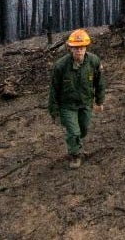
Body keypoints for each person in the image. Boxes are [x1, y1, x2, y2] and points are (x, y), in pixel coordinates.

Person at [48, 28, 107, 168]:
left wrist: (99, 101)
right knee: (73, 132)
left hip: (85, 103)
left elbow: (100, 82)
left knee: (83, 129)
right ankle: (75, 155)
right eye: (76, 48)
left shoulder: (94, 61)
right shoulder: (60, 66)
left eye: (82, 48)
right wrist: (53, 110)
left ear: (86, 47)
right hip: (67, 105)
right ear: (70, 48)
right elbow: (54, 89)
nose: (79, 51)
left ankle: (77, 147)